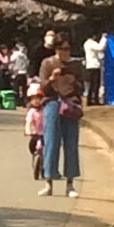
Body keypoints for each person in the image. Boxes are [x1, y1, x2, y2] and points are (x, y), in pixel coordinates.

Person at [37, 35, 84, 198]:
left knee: (71, 143)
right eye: (62, 49)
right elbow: (42, 87)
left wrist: (73, 80)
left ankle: (70, 184)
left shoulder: (76, 65)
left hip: (70, 104)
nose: (65, 52)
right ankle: (48, 181)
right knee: (51, 142)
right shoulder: (47, 63)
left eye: (68, 49)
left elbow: (81, 86)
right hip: (52, 103)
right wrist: (52, 79)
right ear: (56, 49)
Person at [24, 79, 45, 179]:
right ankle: (35, 155)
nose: (36, 101)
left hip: (44, 133)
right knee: (32, 145)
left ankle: (45, 166)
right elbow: (28, 122)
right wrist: (28, 130)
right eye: (34, 99)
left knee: (45, 149)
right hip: (35, 133)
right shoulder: (32, 111)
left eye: (39, 98)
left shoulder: (44, 110)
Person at [83, 32, 107, 107]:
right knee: (95, 84)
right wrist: (104, 38)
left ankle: (90, 100)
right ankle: (95, 100)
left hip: (90, 65)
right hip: (94, 66)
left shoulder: (86, 43)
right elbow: (100, 47)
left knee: (91, 84)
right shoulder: (91, 43)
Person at [9, 40, 31, 108]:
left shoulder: (15, 54)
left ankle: (17, 102)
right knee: (24, 89)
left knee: (16, 88)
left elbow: (11, 60)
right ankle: (24, 102)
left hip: (17, 73)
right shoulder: (24, 55)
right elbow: (27, 64)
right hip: (24, 73)